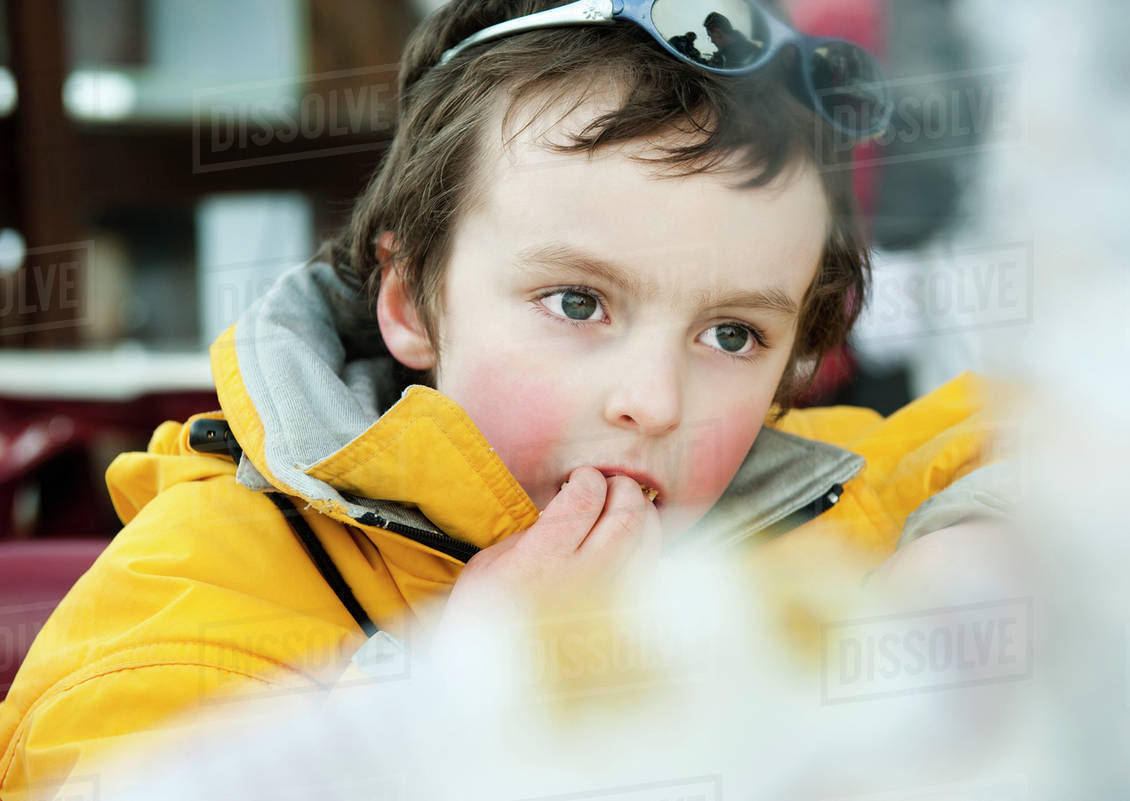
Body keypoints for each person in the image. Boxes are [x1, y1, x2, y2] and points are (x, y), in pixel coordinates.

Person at [0, 1, 1007, 798]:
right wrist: (443, 689)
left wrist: (969, 542)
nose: (654, 402)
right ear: (409, 301)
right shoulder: (191, 603)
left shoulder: (810, 492)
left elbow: (1039, 436)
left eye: (732, 334)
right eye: (578, 302)